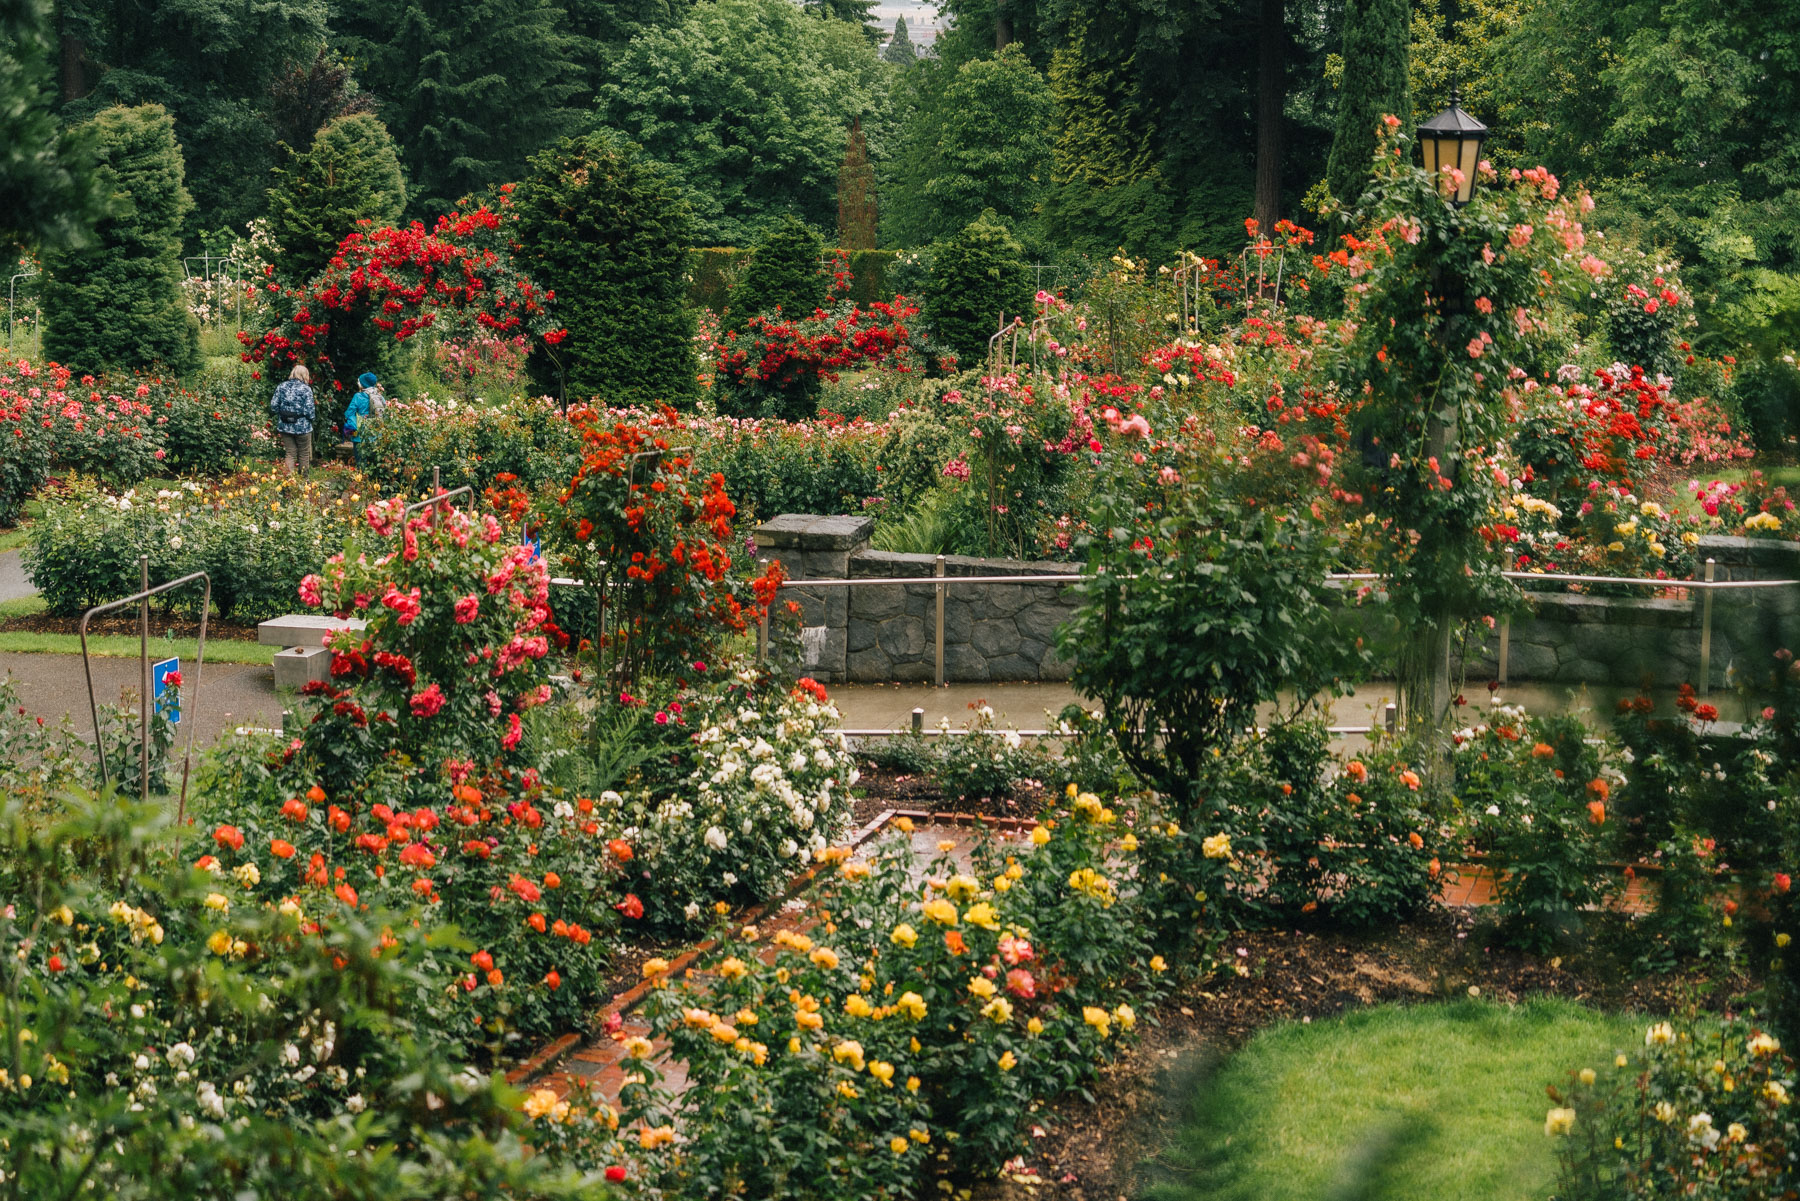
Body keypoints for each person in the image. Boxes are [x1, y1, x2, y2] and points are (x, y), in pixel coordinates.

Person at [270, 363, 316, 476]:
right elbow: (310, 411)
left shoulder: (281, 386)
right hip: (302, 427)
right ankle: (304, 480)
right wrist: (310, 419)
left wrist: (284, 413)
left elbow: (273, 406)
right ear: (305, 375)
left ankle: (289, 480)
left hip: (285, 426)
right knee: (304, 453)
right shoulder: (306, 389)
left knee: (290, 453)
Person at [344, 371, 380, 468]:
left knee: (360, 462)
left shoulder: (358, 396)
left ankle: (361, 476)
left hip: (360, 435)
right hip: (376, 435)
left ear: (363, 384)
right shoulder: (379, 397)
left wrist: (351, 428)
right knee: (373, 463)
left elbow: (349, 413)